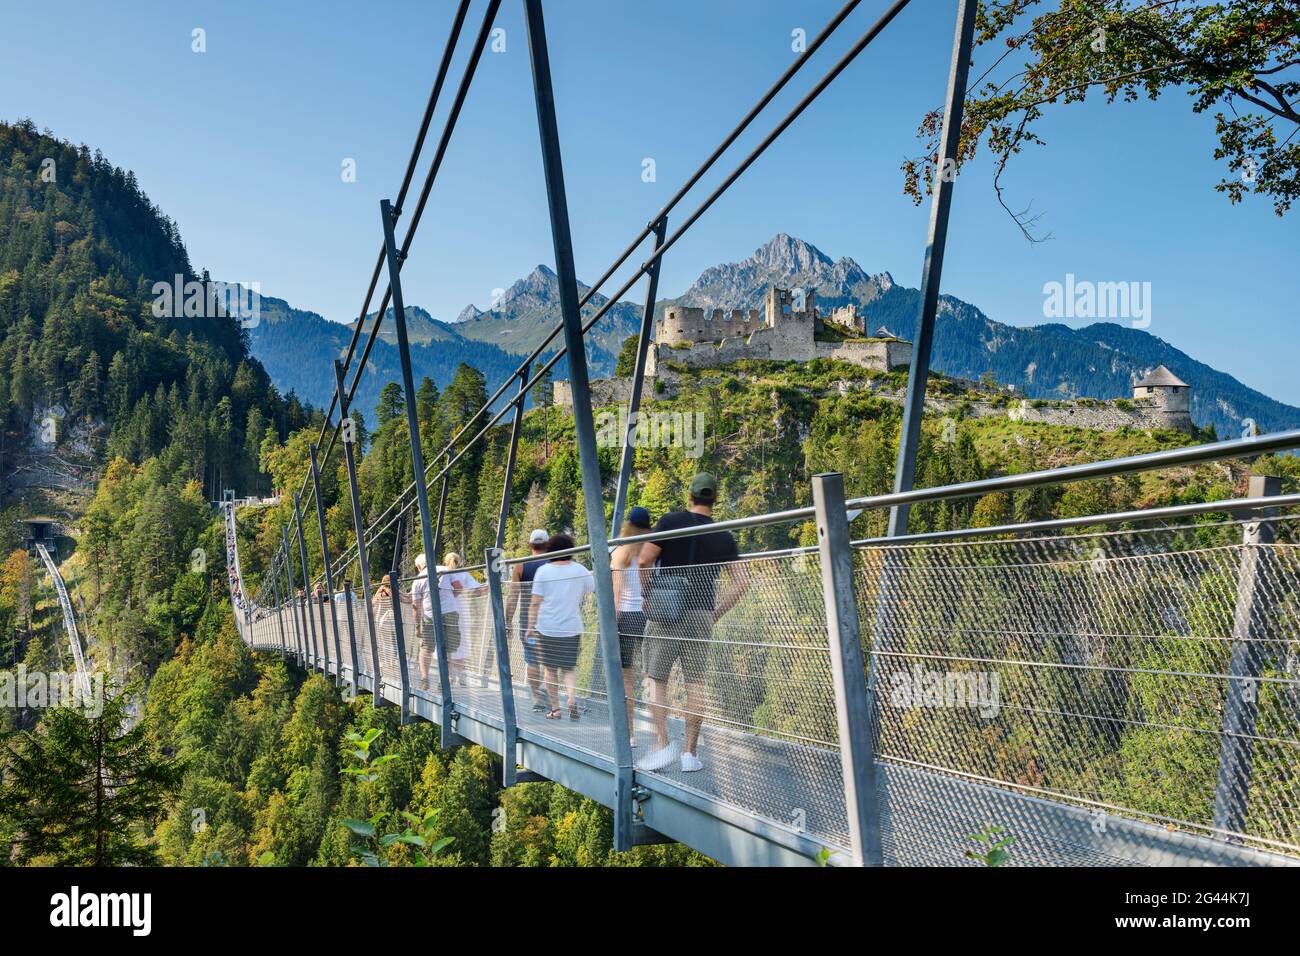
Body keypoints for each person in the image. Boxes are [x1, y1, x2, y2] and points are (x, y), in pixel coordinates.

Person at [636, 473, 750, 773]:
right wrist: (715, 613)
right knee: (696, 683)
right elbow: (742, 582)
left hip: (667, 610)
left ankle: (662, 744)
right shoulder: (724, 534)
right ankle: (690, 754)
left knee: (655, 679)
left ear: (691, 496)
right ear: (715, 499)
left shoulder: (671, 522)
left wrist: (647, 595)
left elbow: (645, 561)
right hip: (701, 613)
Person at [525, 534, 594, 721]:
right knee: (569, 668)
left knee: (550, 669)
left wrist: (530, 627)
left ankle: (556, 709)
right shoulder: (580, 570)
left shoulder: (544, 572)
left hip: (547, 627)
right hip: (572, 627)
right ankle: (571, 699)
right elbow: (592, 588)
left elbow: (535, 603)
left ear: (550, 550)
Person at [611, 507, 652, 747]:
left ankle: (630, 734)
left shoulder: (619, 553)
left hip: (626, 616)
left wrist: (612, 623)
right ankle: (659, 733)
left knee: (627, 677)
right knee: (653, 675)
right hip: (648, 616)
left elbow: (616, 594)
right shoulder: (653, 549)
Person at [504, 529, 550, 709]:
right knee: (549, 656)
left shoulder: (521, 567)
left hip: (527, 622)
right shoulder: (553, 564)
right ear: (547, 545)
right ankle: (546, 687)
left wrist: (508, 620)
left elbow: (513, 596)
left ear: (530, 545)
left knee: (532, 658)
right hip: (549, 619)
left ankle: (537, 698)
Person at [438, 552, 480, 685]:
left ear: (445, 561)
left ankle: (448, 676)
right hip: (461, 612)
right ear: (459, 561)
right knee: (461, 643)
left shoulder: (442, 574)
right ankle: (459, 677)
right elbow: (477, 589)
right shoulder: (463, 574)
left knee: (446, 643)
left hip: (446, 611)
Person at [409, 553, 436, 689]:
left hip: (429, 617)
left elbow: (415, 606)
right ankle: (448, 680)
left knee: (426, 648)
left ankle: (425, 679)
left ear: (419, 566)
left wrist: (417, 626)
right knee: (450, 647)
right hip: (449, 613)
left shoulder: (418, 580)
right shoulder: (443, 570)